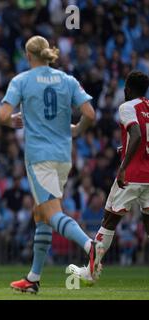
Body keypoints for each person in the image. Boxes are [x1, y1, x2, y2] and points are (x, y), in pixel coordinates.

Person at [0, 35, 103, 294]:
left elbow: (2, 116)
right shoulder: (67, 80)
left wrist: (13, 121)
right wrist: (77, 129)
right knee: (41, 214)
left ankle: (91, 247)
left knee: (52, 212)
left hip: (39, 156)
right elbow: (90, 114)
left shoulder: (21, 80)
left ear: (28, 55)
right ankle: (33, 278)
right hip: (64, 156)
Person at [68, 71, 149, 283]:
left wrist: (123, 166)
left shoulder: (127, 107)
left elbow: (138, 135)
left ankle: (91, 272)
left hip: (132, 174)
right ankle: (92, 270)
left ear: (128, 89)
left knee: (109, 219)